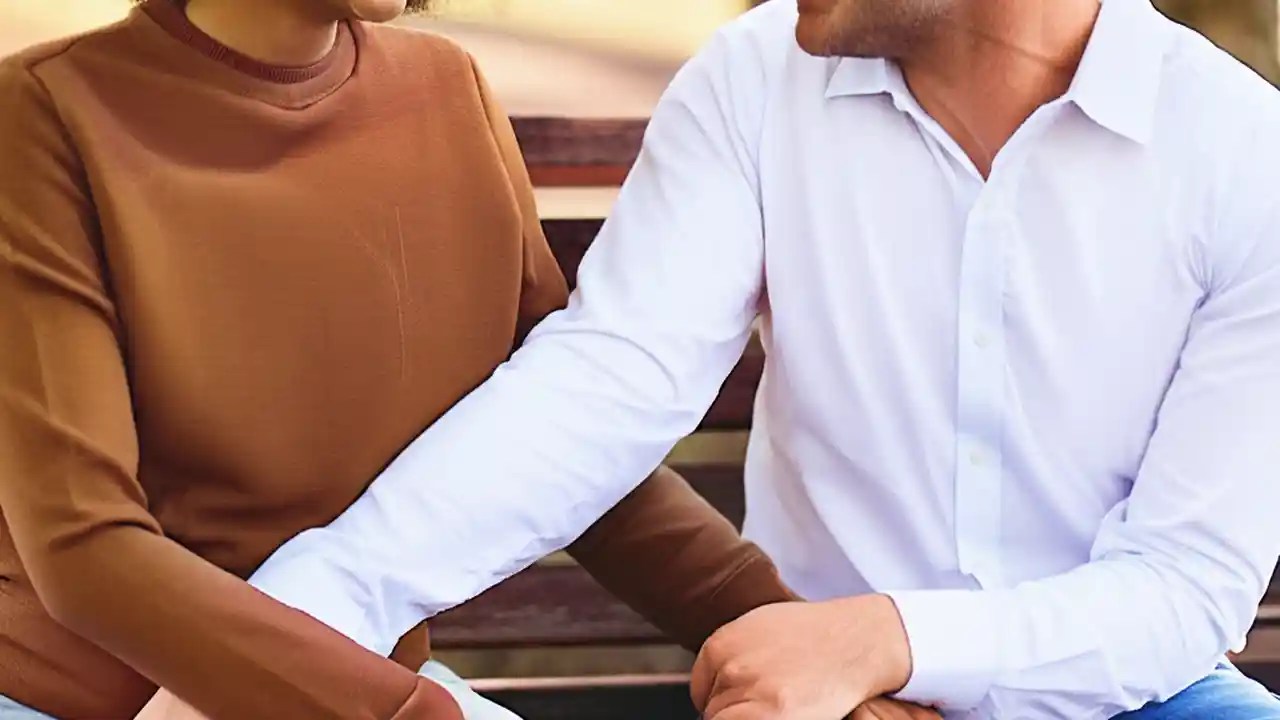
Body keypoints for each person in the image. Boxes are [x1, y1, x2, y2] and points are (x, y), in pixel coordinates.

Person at [243, 0, 1280, 717]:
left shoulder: (1242, 162)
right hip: (820, 706)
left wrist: (885, 637)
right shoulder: (752, 82)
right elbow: (610, 380)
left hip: (1138, 698)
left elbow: (1183, 588)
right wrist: (301, 621)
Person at [0, 0, 905, 717]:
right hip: (88, 702)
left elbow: (569, 459)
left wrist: (809, 652)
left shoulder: (445, 91)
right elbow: (85, 551)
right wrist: (408, 712)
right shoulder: (46, 115)